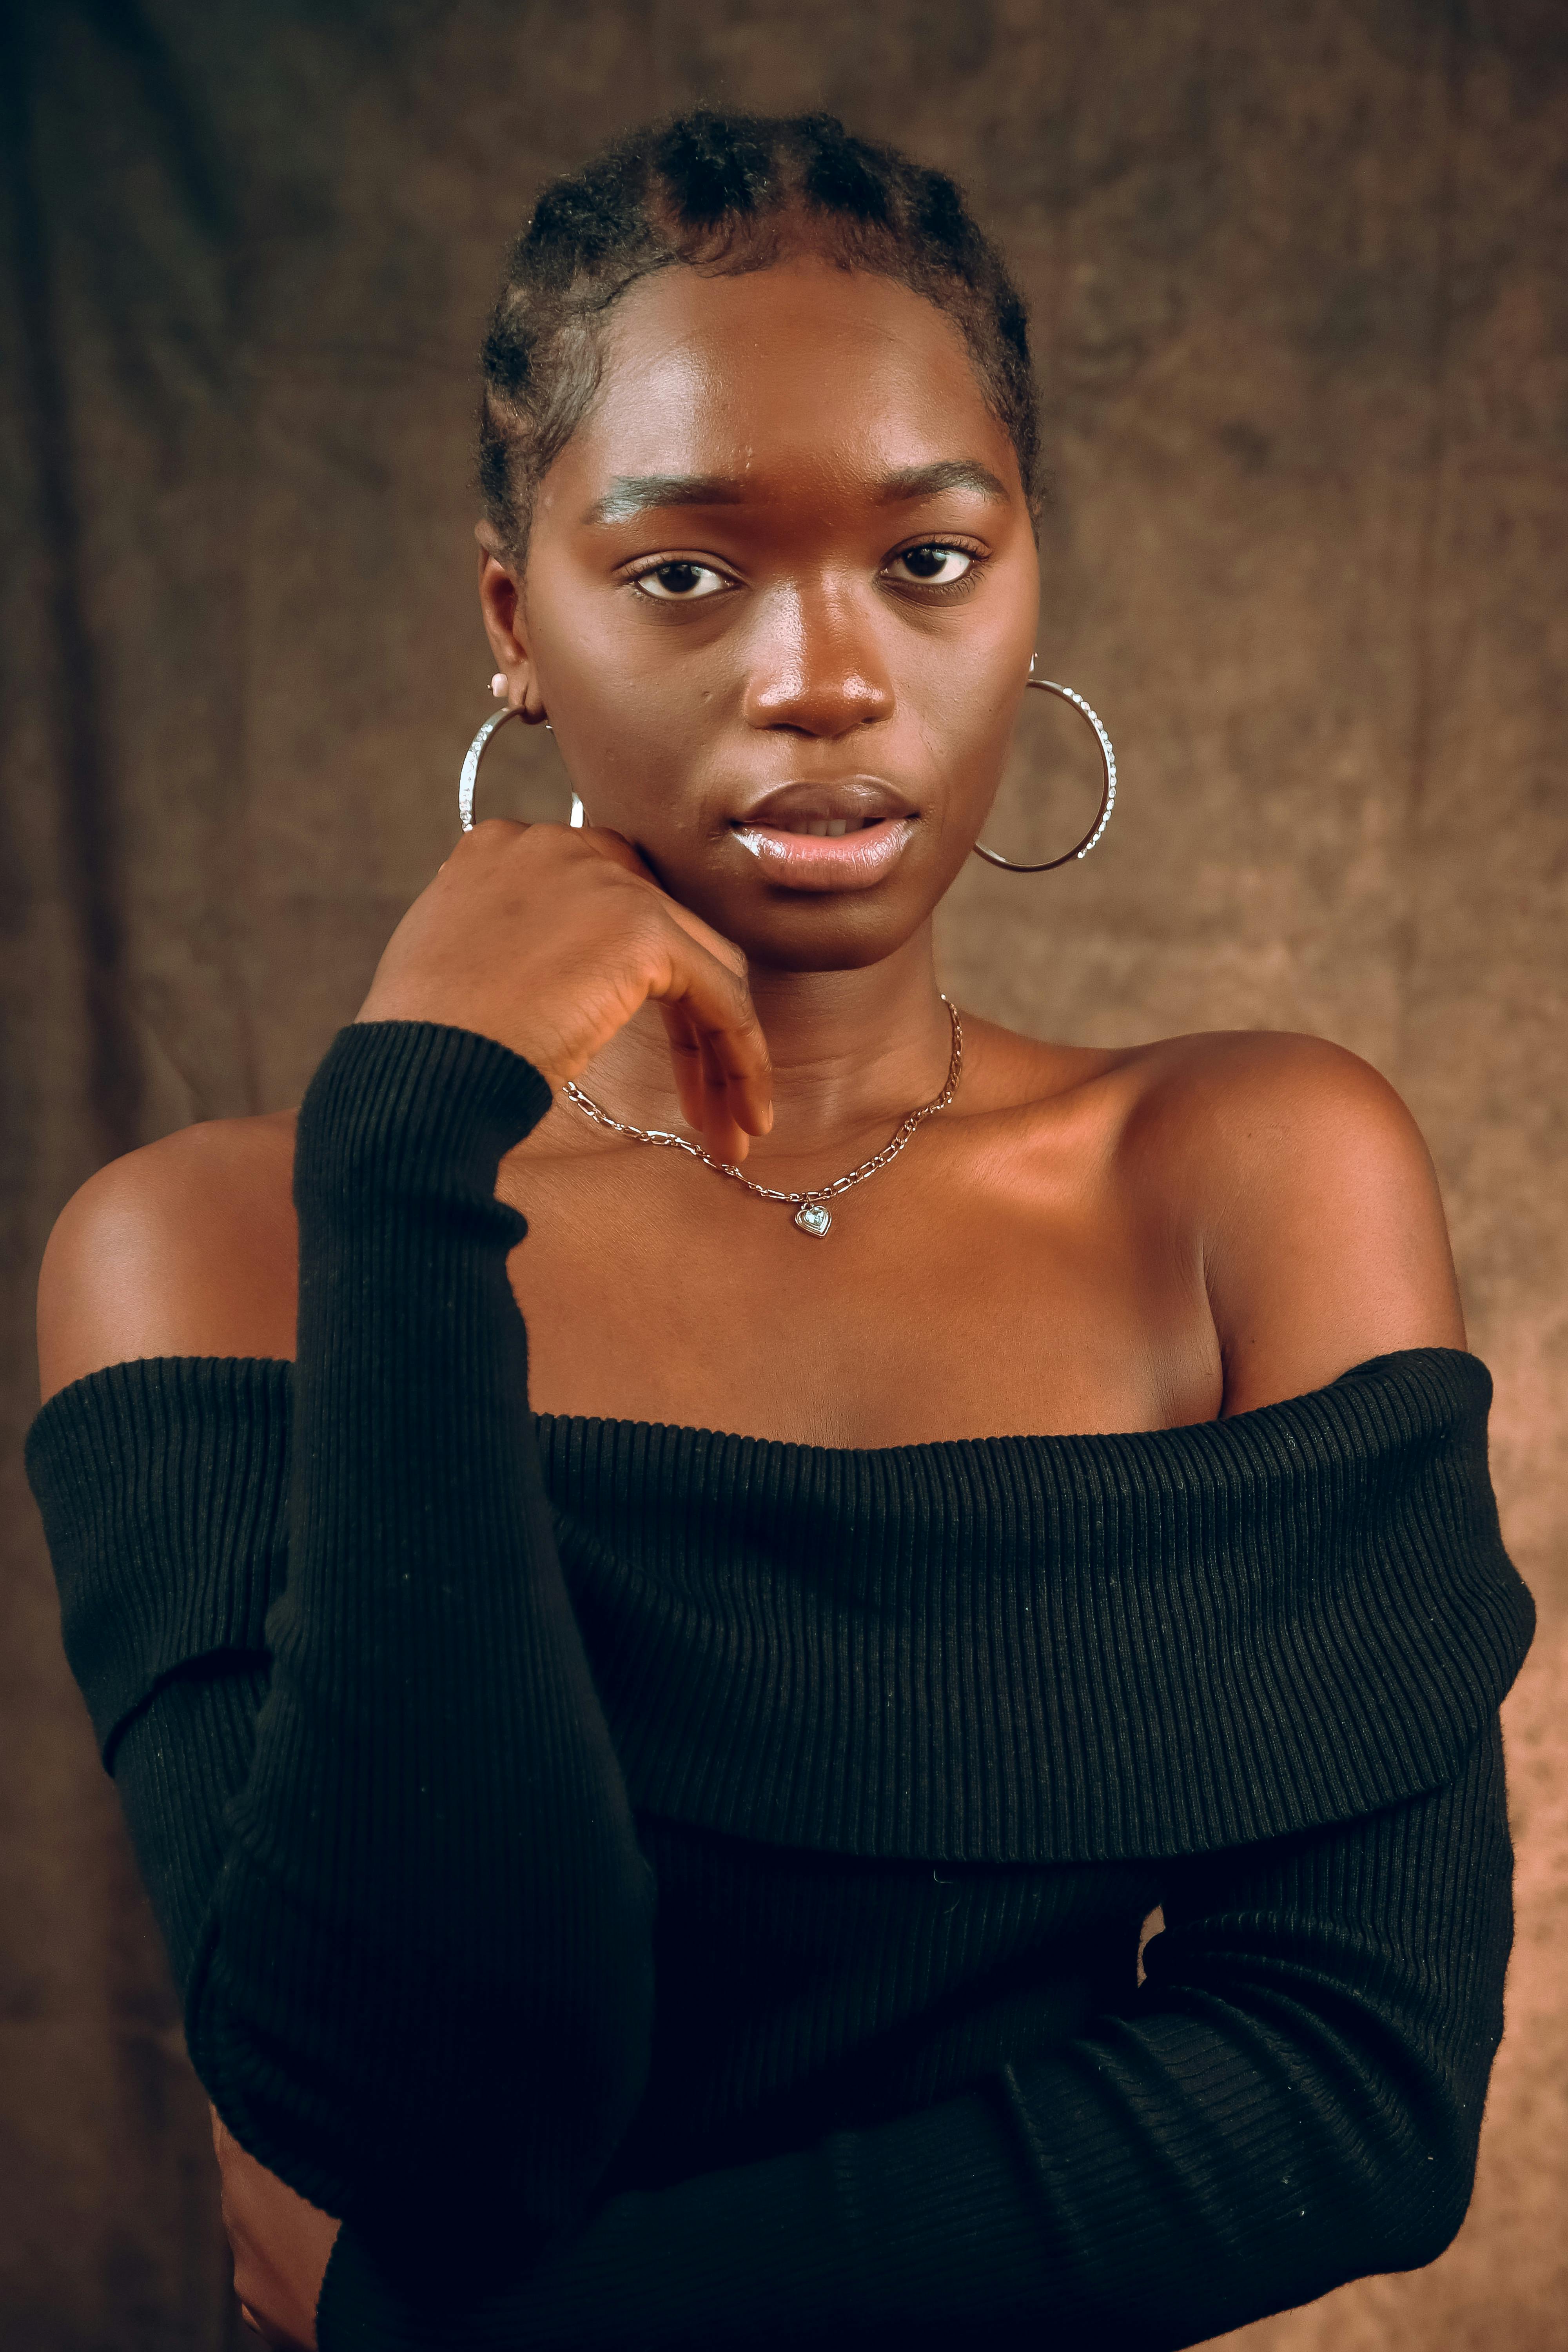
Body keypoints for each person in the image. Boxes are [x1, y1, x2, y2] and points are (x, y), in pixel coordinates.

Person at [26, 110, 1533, 2352]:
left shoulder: (1247, 1184)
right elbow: (426, 2117)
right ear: (513, 620)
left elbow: (1351, 2093)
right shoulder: (226, 1246)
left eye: (927, 563)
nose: (826, 677)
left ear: (1033, 579)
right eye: (684, 574)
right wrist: (411, 1171)